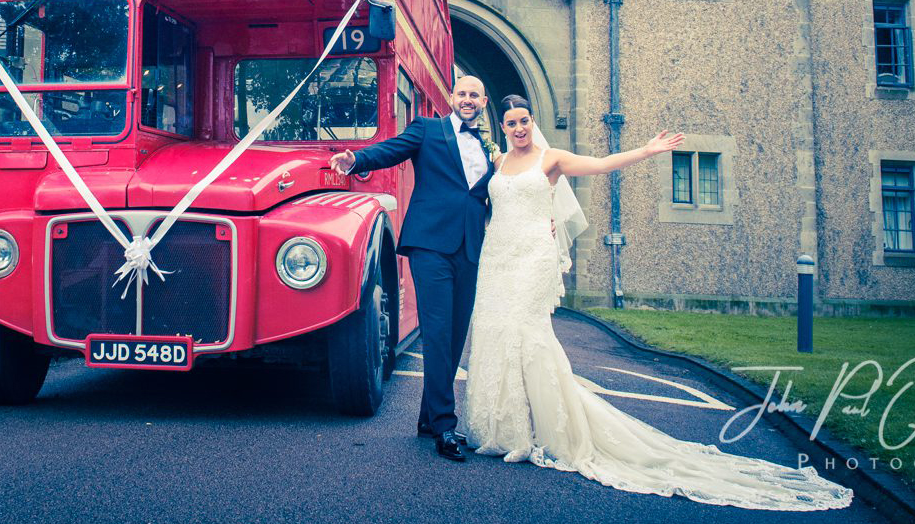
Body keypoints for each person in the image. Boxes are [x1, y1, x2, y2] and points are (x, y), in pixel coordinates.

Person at [461, 94, 853, 511]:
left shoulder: (551, 158)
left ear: (532, 121)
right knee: (493, 332)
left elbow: (600, 165)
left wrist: (647, 151)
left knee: (528, 335)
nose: (518, 128)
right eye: (511, 123)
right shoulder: (498, 163)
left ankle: (539, 434)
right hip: (497, 257)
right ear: (501, 126)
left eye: (524, 121)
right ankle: (501, 430)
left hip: (533, 258)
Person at [328, 75, 494, 462]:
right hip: (431, 244)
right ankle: (445, 425)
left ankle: (427, 419)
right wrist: (356, 159)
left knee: (454, 336)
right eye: (462, 93)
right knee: (437, 333)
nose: (467, 99)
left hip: (469, 247)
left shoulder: (487, 146)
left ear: (483, 102)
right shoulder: (428, 129)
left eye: (474, 95)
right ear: (452, 97)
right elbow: (391, 150)